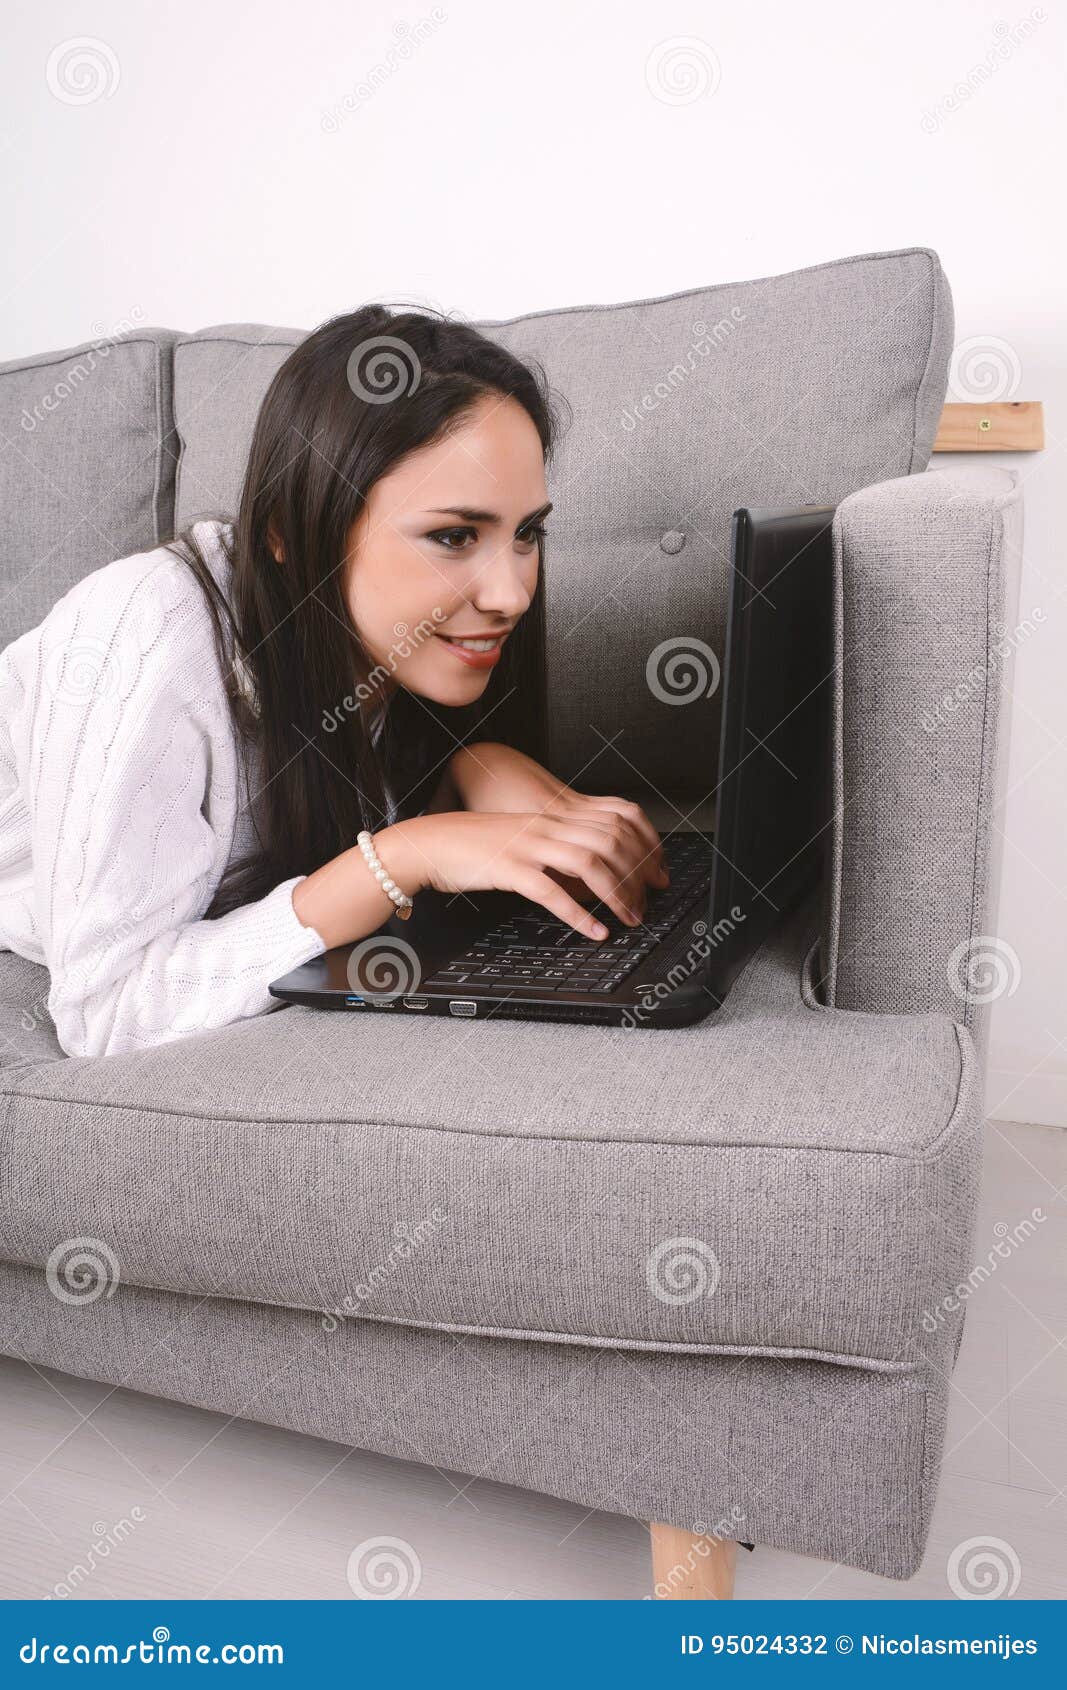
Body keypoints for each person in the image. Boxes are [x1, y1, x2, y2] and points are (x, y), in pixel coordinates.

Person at [0, 305, 668, 1059]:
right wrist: (404, 856)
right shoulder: (143, 626)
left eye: (526, 534)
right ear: (288, 529)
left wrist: (473, 768)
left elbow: (332, 815)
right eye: (453, 536)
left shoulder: (389, 651)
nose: (511, 594)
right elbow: (109, 1012)